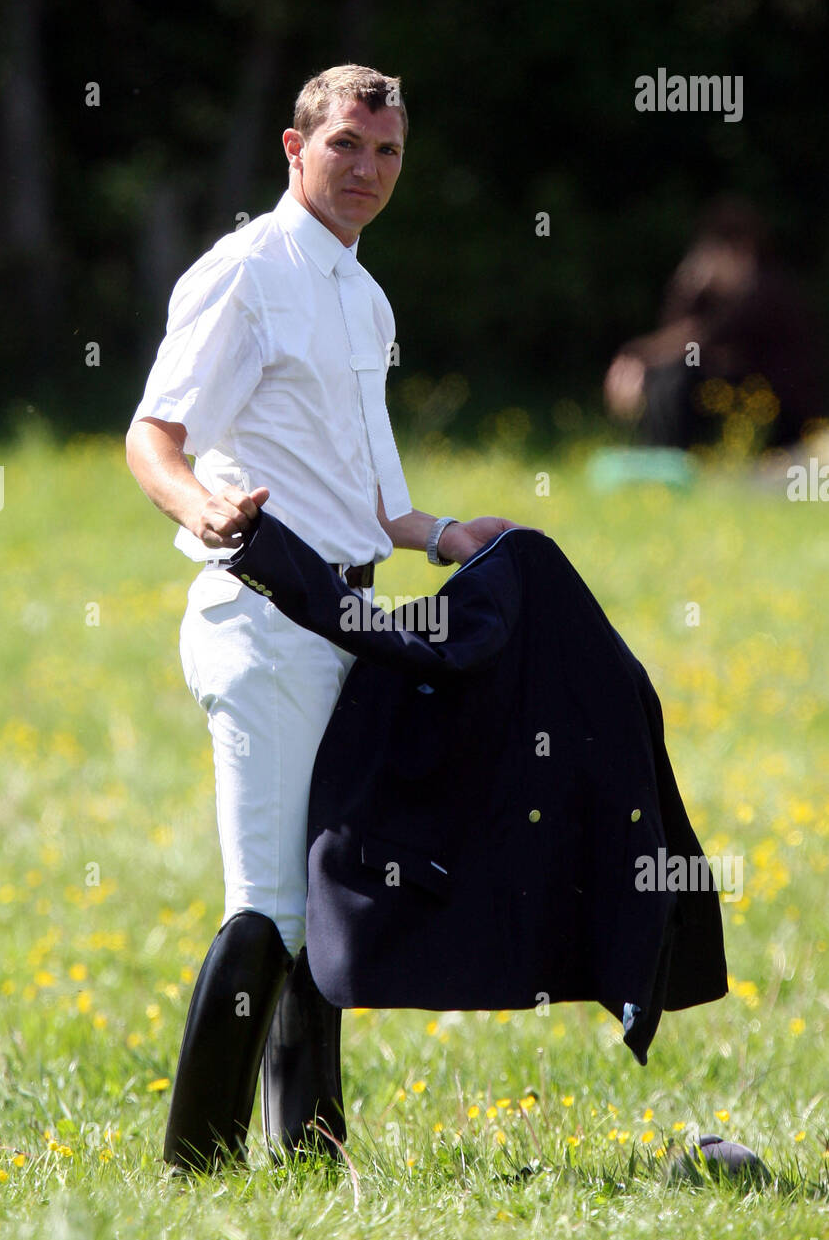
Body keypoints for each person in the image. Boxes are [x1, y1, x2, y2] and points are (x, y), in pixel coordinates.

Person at [125, 64, 526, 1170]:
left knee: (326, 893)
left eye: (388, 152)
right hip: (260, 616)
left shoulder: (362, 290)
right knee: (269, 902)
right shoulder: (247, 271)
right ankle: (195, 1171)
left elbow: (372, 486)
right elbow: (151, 436)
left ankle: (306, 1148)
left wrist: (442, 533)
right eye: (347, 146)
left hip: (350, 619)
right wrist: (203, 501)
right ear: (296, 150)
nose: (368, 170)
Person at [603, 196, 826, 450]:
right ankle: (660, 455)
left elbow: (696, 338)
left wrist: (636, 356)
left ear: (740, 250)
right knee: (673, 373)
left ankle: (666, 457)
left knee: (679, 375)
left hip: (790, 421)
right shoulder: (727, 295)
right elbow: (679, 335)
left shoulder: (766, 291)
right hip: (753, 403)